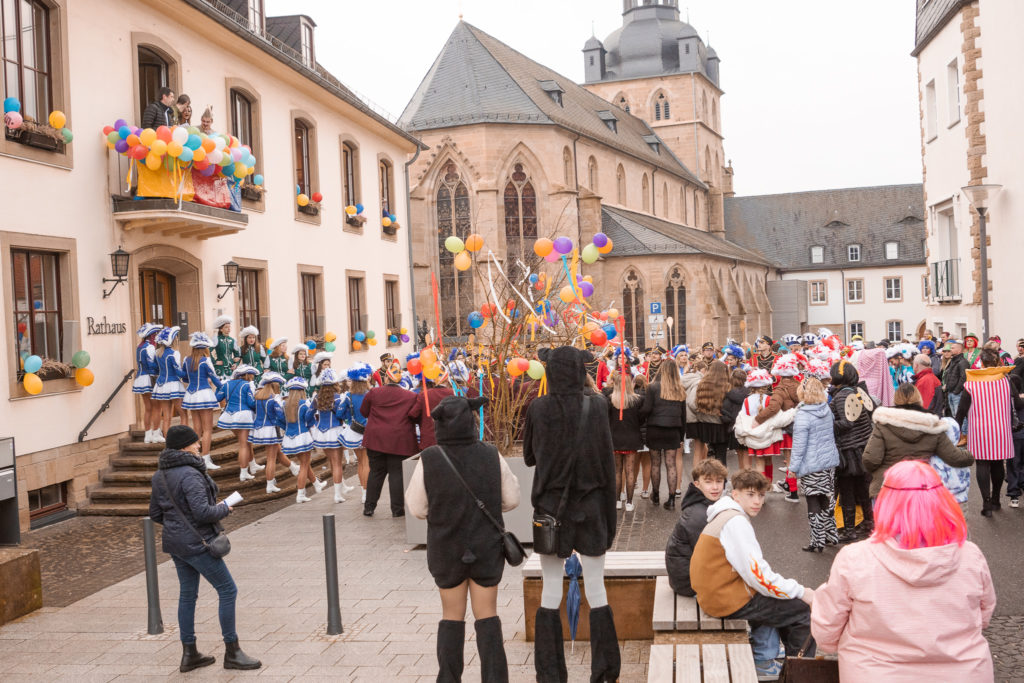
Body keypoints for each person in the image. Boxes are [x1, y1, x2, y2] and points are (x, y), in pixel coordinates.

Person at [810, 460, 995, 681]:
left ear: (884, 503)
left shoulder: (855, 559)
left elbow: (826, 633)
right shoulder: (970, 556)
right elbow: (983, 615)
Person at [406, 396, 521, 682]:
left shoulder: (430, 458)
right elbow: (511, 499)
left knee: (451, 617)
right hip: (486, 547)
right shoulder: (491, 454)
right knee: (487, 616)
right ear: (471, 422)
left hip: (446, 548)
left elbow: (417, 508)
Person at [523, 346, 619, 683]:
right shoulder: (597, 406)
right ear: (580, 371)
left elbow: (529, 457)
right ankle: (605, 672)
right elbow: (607, 464)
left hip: (551, 509)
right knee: (596, 588)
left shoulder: (538, 407)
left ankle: (550, 674)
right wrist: (610, 519)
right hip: (591, 506)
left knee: (550, 589)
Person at [148, 425, 261, 672]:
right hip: (198, 543)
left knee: (188, 594)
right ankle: (232, 652)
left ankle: (189, 653)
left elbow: (155, 513)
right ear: (184, 447)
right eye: (195, 442)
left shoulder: (159, 475)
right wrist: (225, 508)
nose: (199, 445)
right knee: (228, 590)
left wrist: (178, 525)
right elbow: (202, 513)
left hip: (176, 544)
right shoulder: (190, 474)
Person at [690, 469, 815, 679]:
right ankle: (799, 675)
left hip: (715, 593)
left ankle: (768, 656)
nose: (757, 501)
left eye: (761, 495)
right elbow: (759, 577)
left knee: (781, 600)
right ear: (735, 494)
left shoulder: (726, 513)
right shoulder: (736, 522)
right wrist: (803, 592)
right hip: (723, 600)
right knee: (802, 610)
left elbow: (755, 574)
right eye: (750, 494)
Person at [863, 384, 974, 497]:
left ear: (896, 400)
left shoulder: (883, 424)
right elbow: (953, 456)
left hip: (888, 488)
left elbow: (870, 459)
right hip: (921, 490)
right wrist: (971, 456)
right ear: (918, 399)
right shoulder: (932, 425)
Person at [954, 348, 1022, 516]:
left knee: (982, 464)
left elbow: (961, 410)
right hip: (1001, 428)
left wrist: (955, 430)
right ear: (998, 362)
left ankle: (986, 502)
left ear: (981, 363)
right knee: (998, 463)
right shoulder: (1006, 381)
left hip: (979, 430)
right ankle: (996, 499)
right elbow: (1018, 405)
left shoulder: (971, 384)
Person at [360, 366, 419, 517]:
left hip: (376, 439)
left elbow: (364, 412)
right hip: (399, 439)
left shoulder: (374, 392)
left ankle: (369, 507)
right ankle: (397, 510)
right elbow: (414, 416)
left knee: (376, 472)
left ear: (386, 378)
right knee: (396, 474)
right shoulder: (411, 396)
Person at [789, 378, 840, 552]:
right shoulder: (826, 409)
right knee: (824, 497)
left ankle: (817, 540)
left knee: (812, 499)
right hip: (828, 462)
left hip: (811, 464)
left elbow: (799, 446)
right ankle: (830, 534)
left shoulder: (803, 415)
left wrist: (793, 468)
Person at [665, 458, 728, 596]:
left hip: (686, 576)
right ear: (697, 484)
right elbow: (710, 555)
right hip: (688, 583)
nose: (715, 487)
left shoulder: (706, 504)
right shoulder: (698, 514)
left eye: (719, 481)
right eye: (708, 482)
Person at [828, 361, 875, 543]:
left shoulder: (841, 396)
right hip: (863, 447)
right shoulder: (858, 391)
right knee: (863, 489)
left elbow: (847, 423)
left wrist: (827, 424)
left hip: (849, 451)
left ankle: (849, 530)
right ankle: (869, 524)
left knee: (847, 490)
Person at [640, 360, 688, 508]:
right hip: (673, 430)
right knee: (671, 464)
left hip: (655, 428)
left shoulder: (653, 387)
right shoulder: (679, 388)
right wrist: (681, 436)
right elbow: (683, 416)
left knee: (655, 463)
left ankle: (655, 496)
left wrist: (638, 419)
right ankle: (671, 499)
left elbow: (646, 409)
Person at [755, 354, 803, 502]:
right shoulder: (800, 386)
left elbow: (773, 408)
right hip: (801, 426)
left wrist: (758, 419)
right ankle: (790, 485)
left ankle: (793, 492)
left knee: (789, 461)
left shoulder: (780, 390)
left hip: (787, 428)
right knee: (797, 459)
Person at [181, 332, 223, 471]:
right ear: (205, 347)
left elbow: (185, 378)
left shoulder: (187, 360)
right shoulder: (206, 360)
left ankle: (196, 457)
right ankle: (205, 458)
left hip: (192, 395)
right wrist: (226, 388)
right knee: (207, 429)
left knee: (197, 428)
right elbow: (215, 379)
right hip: (204, 394)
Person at [603, 370, 643, 512]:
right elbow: (641, 419)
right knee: (630, 471)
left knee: (617, 471)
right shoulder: (637, 400)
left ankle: (617, 501)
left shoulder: (609, 399)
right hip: (631, 438)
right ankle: (630, 502)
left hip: (615, 438)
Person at [280, 377, 325, 502]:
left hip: (289, 438)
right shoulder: (304, 403)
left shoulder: (284, 404)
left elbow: (280, 420)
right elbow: (309, 419)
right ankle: (300, 495)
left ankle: (316, 484)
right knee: (304, 465)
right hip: (302, 436)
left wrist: (287, 429)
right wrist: (313, 409)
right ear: (301, 391)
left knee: (305, 463)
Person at [309, 369, 350, 503]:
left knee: (332, 462)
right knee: (337, 463)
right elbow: (342, 415)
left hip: (321, 433)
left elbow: (308, 415)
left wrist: (315, 423)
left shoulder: (317, 397)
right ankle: (337, 494)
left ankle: (342, 487)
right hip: (335, 431)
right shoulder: (338, 398)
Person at [248, 372, 292, 493]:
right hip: (271, 429)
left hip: (259, 428)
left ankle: (293, 468)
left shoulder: (258, 396)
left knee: (276, 453)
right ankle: (270, 484)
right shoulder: (274, 398)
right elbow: (280, 416)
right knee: (271, 459)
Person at [216, 365, 261, 482]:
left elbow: (218, 398)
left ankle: (252, 465)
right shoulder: (247, 385)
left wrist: (218, 386)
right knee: (244, 445)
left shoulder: (227, 384)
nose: (252, 377)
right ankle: (244, 472)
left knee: (246, 443)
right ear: (246, 375)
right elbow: (251, 403)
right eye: (251, 375)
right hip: (242, 416)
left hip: (229, 416)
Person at [339, 363, 372, 502]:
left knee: (360, 463)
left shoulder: (348, 396)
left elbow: (340, 413)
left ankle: (364, 493)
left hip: (355, 431)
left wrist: (350, 416)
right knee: (366, 462)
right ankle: (367, 493)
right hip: (370, 431)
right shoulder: (370, 394)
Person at [690, 360, 731, 469]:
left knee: (703, 454)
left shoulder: (702, 384)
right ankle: (721, 478)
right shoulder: (727, 386)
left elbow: (691, 403)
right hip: (720, 424)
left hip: (704, 424)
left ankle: (702, 476)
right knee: (721, 456)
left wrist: (701, 412)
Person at [152, 326, 187, 438]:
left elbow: (155, 369)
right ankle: (183, 440)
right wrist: (190, 373)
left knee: (166, 417)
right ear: (173, 340)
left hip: (161, 385)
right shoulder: (174, 353)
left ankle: (168, 443)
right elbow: (179, 372)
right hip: (173, 385)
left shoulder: (158, 353)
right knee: (183, 414)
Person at [134, 323, 163, 443]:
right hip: (150, 379)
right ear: (151, 336)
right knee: (157, 407)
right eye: (155, 334)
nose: (156, 337)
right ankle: (156, 434)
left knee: (148, 408)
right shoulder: (150, 347)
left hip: (140, 378)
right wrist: (160, 368)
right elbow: (152, 365)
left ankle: (147, 435)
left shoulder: (139, 347)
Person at [210, 316, 238, 382]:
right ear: (221, 329)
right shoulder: (217, 339)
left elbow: (237, 355)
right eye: (226, 327)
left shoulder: (233, 340)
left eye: (229, 327)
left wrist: (236, 364)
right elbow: (207, 351)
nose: (229, 329)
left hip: (231, 369)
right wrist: (215, 362)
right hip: (220, 369)